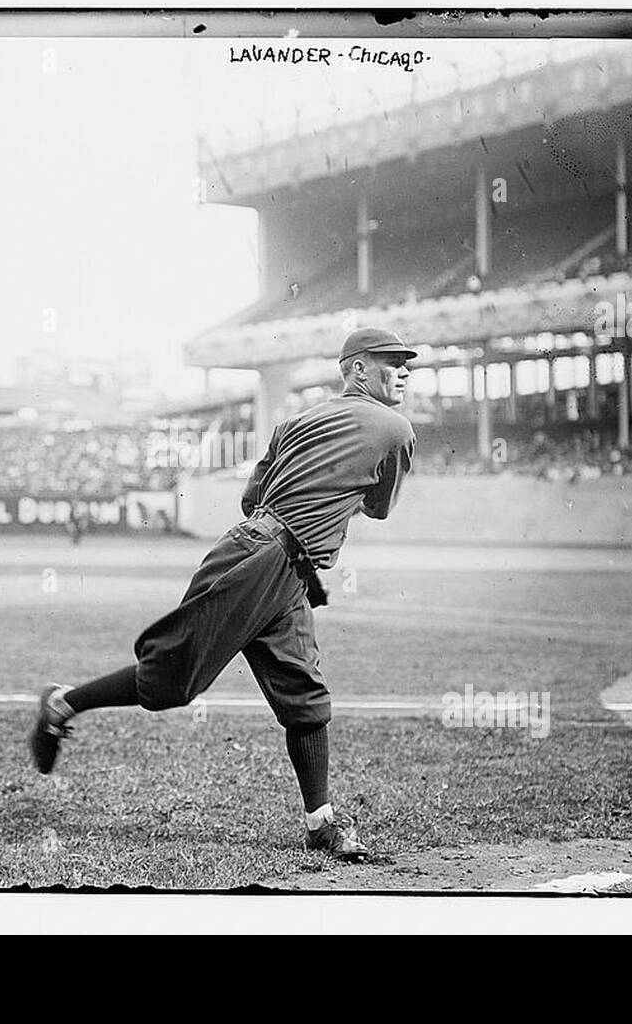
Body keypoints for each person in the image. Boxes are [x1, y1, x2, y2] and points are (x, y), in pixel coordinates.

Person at [28, 328, 418, 859]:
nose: (404, 370)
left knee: (306, 700)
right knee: (172, 681)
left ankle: (320, 822)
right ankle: (62, 703)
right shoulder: (394, 428)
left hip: (279, 562)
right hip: (266, 562)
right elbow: (378, 507)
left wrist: (300, 532)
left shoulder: (294, 421)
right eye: (390, 362)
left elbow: (251, 497)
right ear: (356, 369)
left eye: (405, 364)